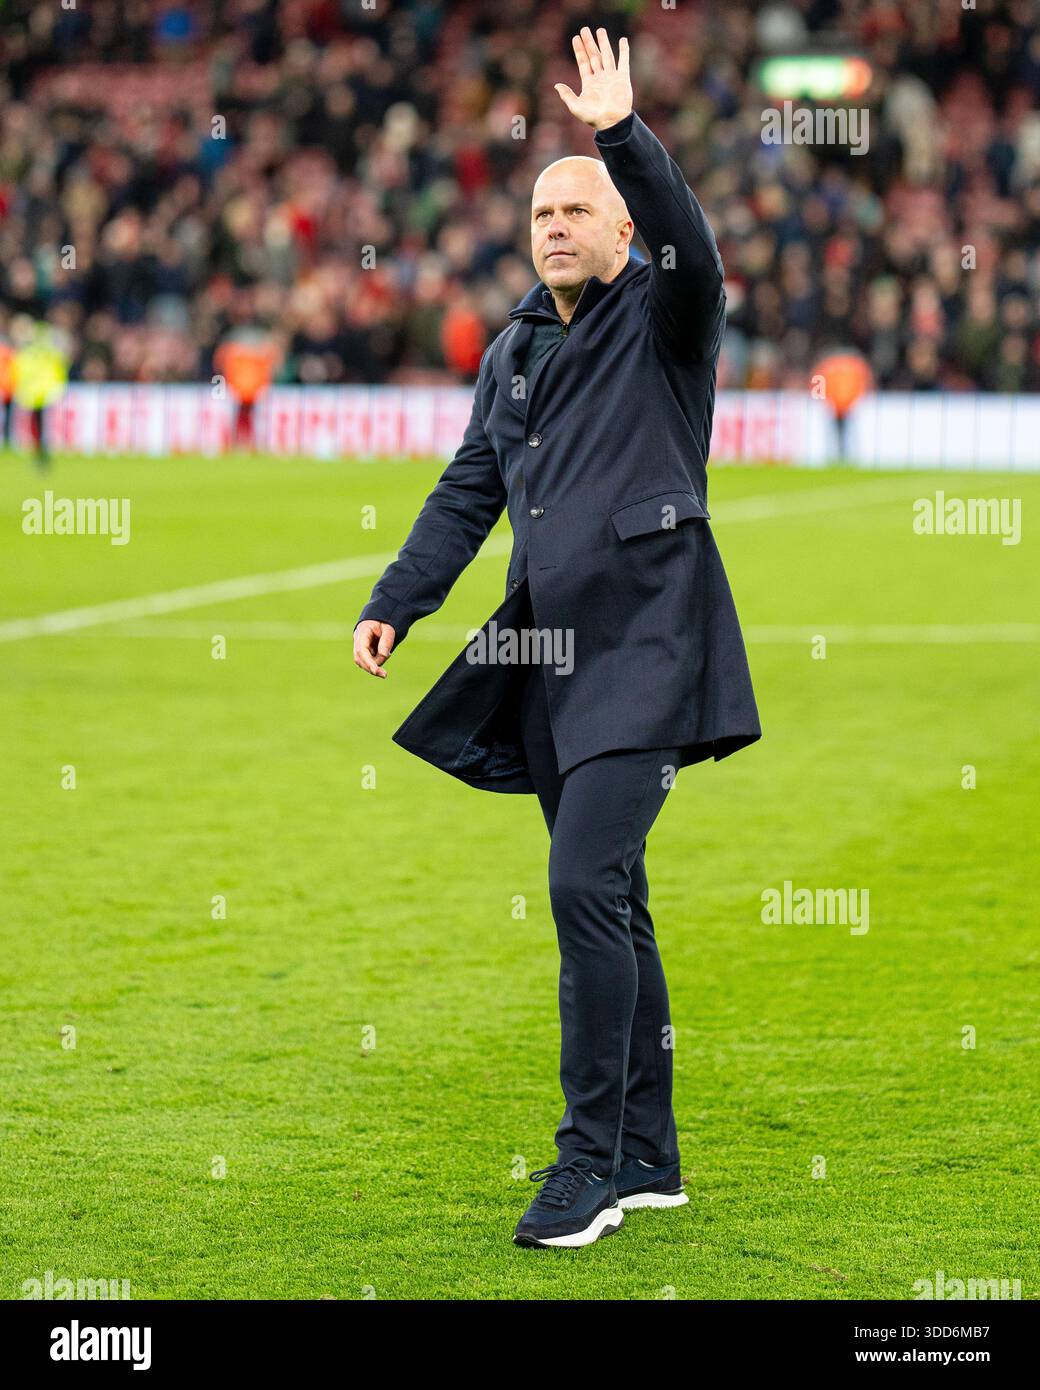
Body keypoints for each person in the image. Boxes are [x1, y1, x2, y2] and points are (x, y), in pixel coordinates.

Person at [354, 28, 761, 1249]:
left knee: (581, 883)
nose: (554, 223)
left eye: (577, 206)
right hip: (549, 660)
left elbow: (697, 253)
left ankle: (585, 1163)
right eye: (541, 210)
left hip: (647, 646)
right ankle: (649, 1155)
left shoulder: (666, 316)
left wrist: (620, 138)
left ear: (623, 228)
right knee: (617, 897)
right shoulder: (516, 348)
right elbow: (466, 490)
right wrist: (395, 597)